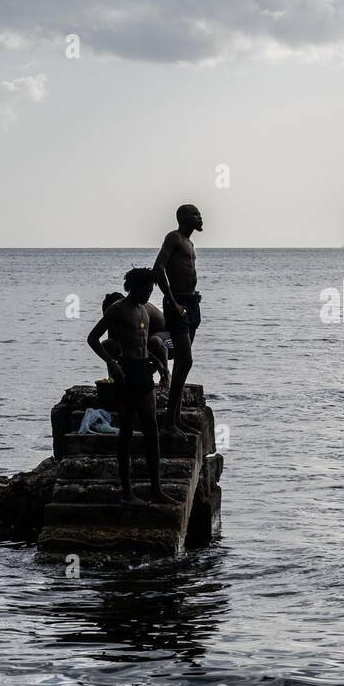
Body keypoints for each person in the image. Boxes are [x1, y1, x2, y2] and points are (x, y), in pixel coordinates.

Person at [87, 268, 180, 507]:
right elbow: (93, 338)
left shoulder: (144, 311)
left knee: (152, 431)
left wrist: (159, 364)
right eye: (145, 290)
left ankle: (156, 489)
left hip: (144, 372)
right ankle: (127, 492)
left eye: (150, 290)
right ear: (133, 288)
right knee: (126, 432)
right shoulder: (117, 309)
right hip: (127, 374)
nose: (148, 294)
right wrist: (111, 363)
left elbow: (143, 345)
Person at [153, 204, 203, 442]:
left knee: (183, 364)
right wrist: (173, 302)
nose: (200, 218)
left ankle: (175, 418)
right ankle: (168, 423)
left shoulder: (190, 243)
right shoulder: (173, 238)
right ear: (183, 218)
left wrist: (192, 298)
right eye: (195, 214)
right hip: (177, 303)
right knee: (186, 360)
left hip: (191, 302)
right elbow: (158, 269)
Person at [101, 290, 169, 390]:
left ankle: (166, 376)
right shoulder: (115, 317)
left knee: (154, 342)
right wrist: (113, 366)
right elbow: (113, 344)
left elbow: (139, 344)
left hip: (167, 339)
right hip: (146, 345)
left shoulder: (138, 311)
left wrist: (157, 363)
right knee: (107, 344)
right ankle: (114, 379)